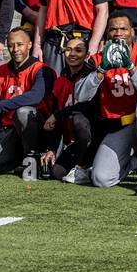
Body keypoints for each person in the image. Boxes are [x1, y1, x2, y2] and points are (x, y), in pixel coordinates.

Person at [87, 11, 137, 188]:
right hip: (120, 126)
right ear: (107, 33)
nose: (118, 33)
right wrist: (100, 71)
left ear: (132, 31)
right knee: (101, 179)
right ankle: (134, 163)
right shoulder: (98, 59)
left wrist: (131, 68)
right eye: (113, 29)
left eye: (123, 29)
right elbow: (81, 95)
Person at [0, 27, 54, 176]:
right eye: (10, 45)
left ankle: (33, 156)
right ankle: (17, 159)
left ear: (29, 45)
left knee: (23, 112)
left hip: (38, 130)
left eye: (20, 44)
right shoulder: (0, 72)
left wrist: (1, 106)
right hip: (11, 132)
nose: (15, 49)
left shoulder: (42, 70)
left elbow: (36, 96)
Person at [39, 35, 99, 183]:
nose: (72, 54)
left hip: (95, 139)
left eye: (78, 50)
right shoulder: (61, 79)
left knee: (79, 120)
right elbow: (56, 117)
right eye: (68, 50)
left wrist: (58, 114)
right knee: (57, 173)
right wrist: (52, 149)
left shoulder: (93, 77)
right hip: (75, 142)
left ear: (87, 55)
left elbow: (89, 107)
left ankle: (87, 164)